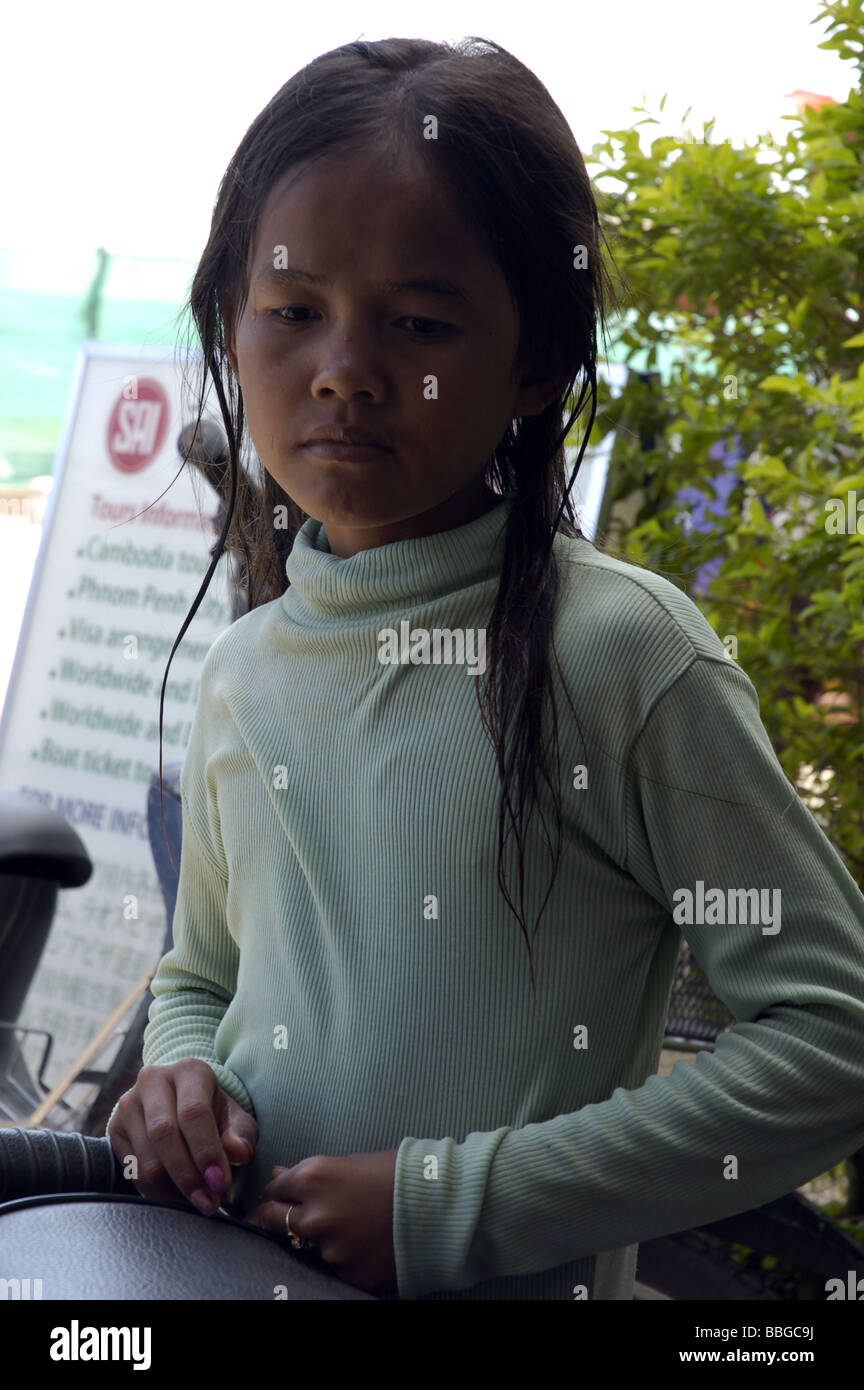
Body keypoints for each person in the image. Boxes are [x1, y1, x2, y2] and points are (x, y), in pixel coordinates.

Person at [106, 35, 864, 1301]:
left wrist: (456, 1205)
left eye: (418, 321)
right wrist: (183, 1081)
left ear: (536, 365)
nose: (343, 368)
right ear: (232, 334)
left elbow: (835, 1041)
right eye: (294, 312)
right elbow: (204, 977)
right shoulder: (245, 669)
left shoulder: (621, 657)